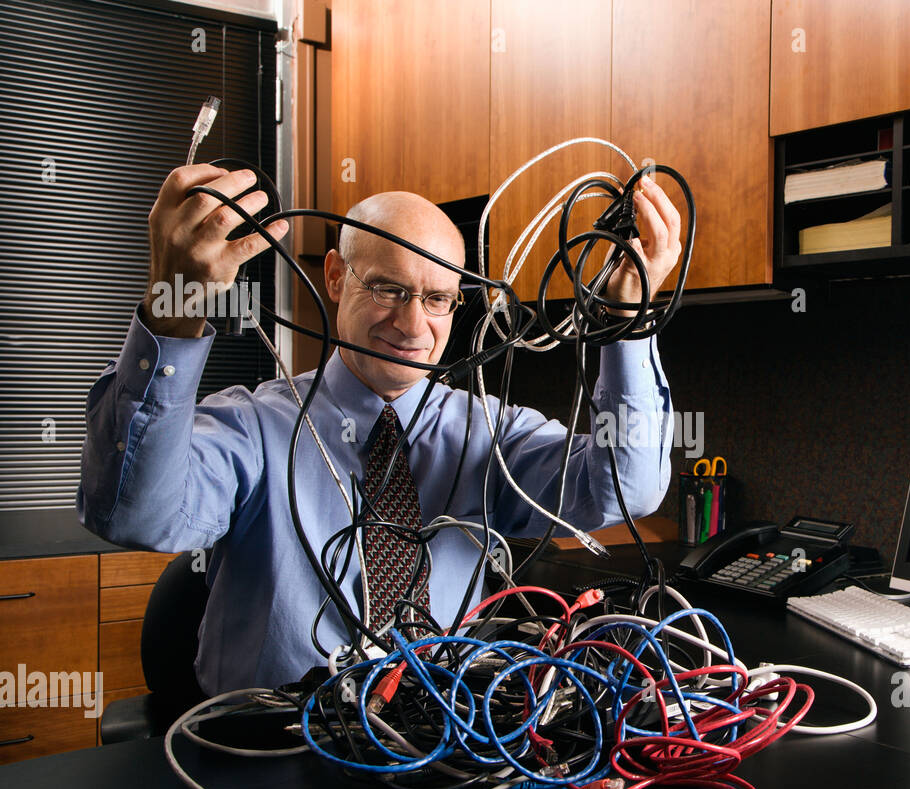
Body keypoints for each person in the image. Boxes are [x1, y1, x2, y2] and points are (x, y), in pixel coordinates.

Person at [78, 164, 682, 695]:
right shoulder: (253, 427)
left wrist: (628, 324)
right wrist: (176, 305)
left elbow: (625, 489)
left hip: (437, 746)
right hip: (267, 763)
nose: (414, 324)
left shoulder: (489, 435)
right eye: (389, 289)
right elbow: (135, 513)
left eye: (439, 298)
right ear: (337, 276)